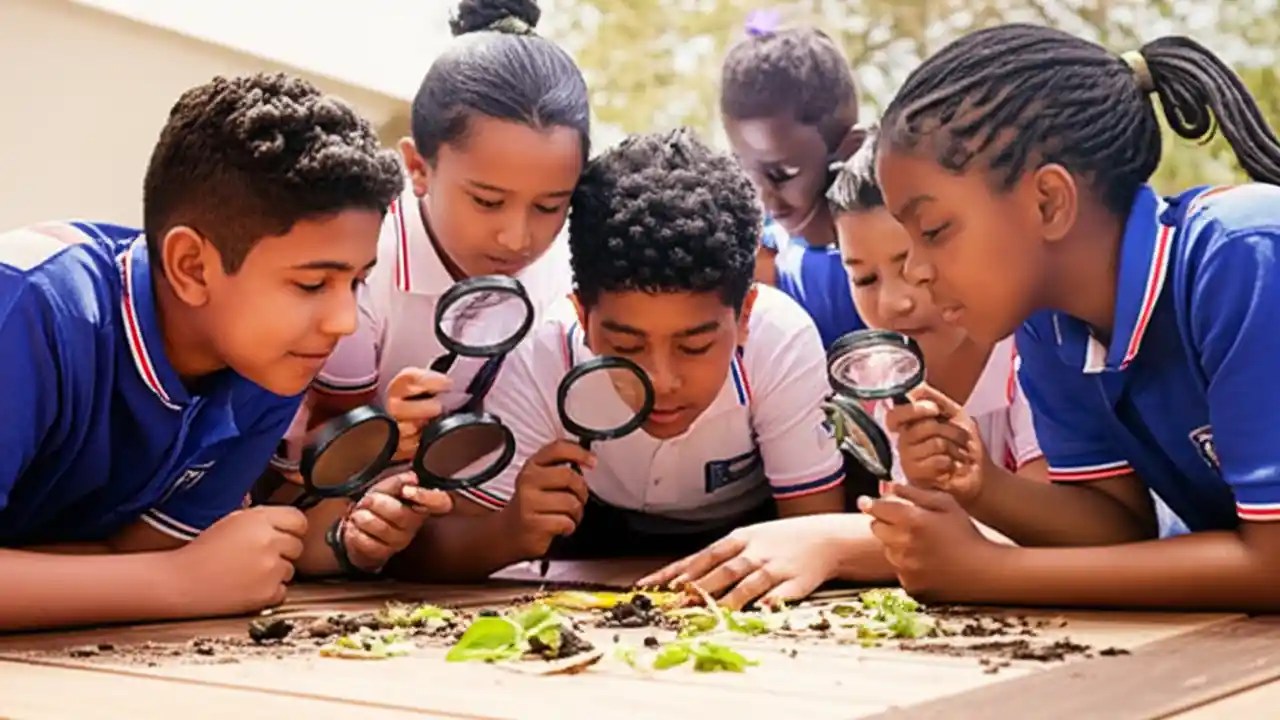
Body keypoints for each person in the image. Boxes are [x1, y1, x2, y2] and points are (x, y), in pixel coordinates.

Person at [862, 23, 1280, 610]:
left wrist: (987, 574)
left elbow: (1274, 562)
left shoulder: (1245, 257)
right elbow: (1116, 525)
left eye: (933, 231)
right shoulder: (1051, 323)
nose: (918, 271)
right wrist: (983, 486)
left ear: (1049, 202)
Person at [0, 73, 405, 631]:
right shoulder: (27, 307)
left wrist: (168, 572)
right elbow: (160, 571)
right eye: (313, 285)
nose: (344, 321)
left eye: (358, 282)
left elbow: (130, 555)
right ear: (191, 266)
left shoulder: (269, 365)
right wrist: (181, 584)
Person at [387, 129, 851, 581]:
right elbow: (429, 549)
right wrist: (508, 532)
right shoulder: (543, 355)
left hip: (750, 523)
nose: (661, 381)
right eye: (627, 347)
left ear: (745, 315)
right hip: (597, 533)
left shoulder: (780, 342)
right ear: (581, 317)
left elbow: (808, 534)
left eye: (695, 346)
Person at [639, 133, 1045, 607]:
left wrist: (835, 543)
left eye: (912, 268)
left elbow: (1048, 536)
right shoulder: (878, 383)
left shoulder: (1032, 357)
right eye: (864, 278)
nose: (895, 303)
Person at [264, 0, 589, 576]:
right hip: (302, 503)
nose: (517, 237)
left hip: (435, 512)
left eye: (550, 206)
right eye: (486, 201)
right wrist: (383, 430)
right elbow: (302, 453)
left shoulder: (560, 279)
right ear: (417, 167)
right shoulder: (364, 267)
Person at [720, 18, 866, 348]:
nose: (764, 196)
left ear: (849, 149)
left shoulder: (897, 252)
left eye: (782, 174)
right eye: (746, 173)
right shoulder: (764, 252)